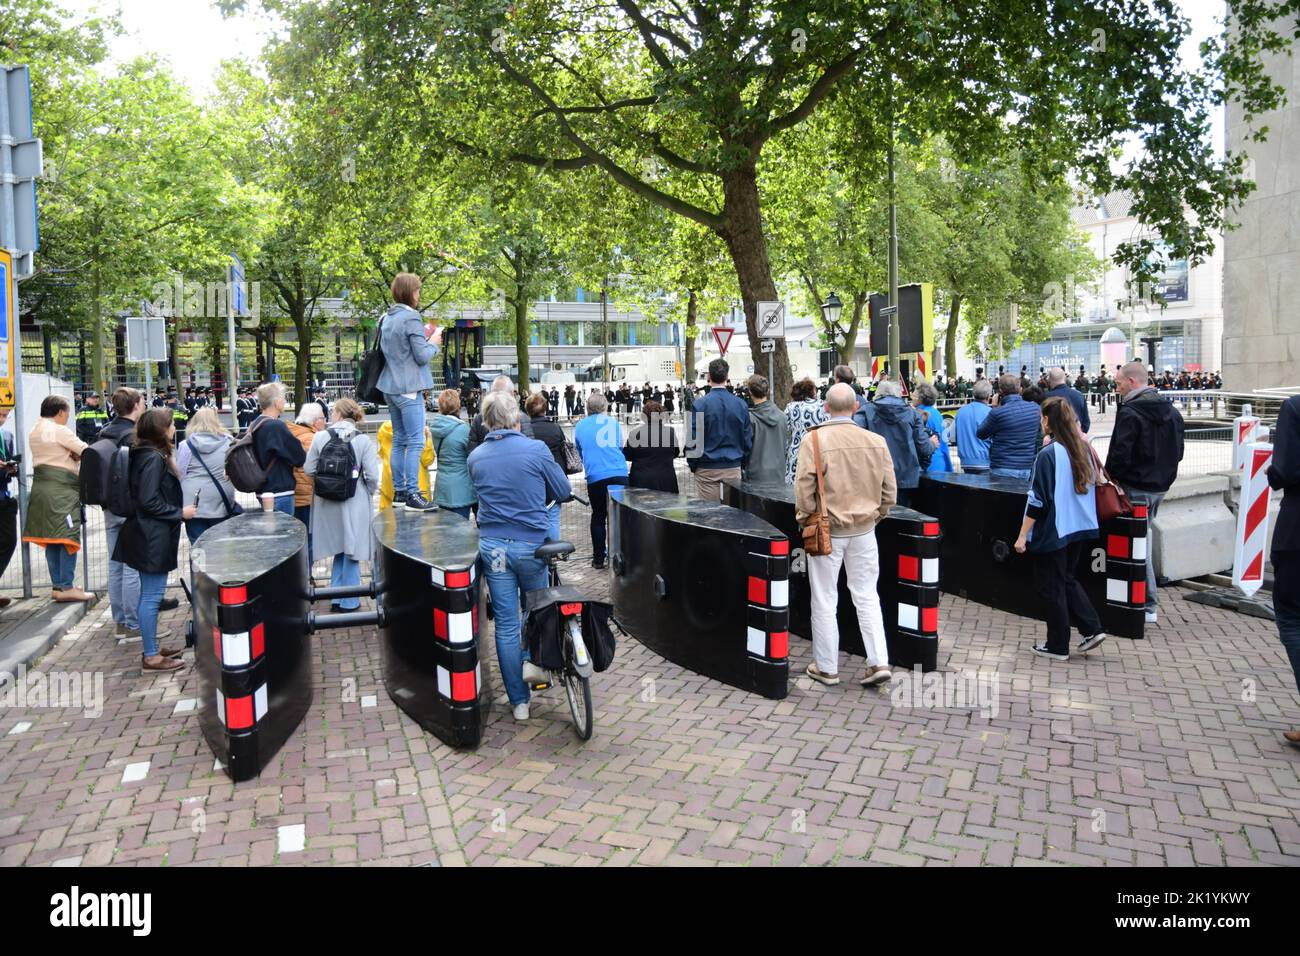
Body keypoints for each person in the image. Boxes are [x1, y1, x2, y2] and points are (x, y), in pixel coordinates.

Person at [467, 392, 572, 721]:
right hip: (530, 545)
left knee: (507, 624)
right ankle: (534, 667)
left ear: (486, 421)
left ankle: (518, 701)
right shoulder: (536, 449)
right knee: (534, 610)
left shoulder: (477, 456)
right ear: (516, 418)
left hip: (494, 546)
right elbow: (563, 490)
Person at [795, 383, 897, 687]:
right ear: (856, 407)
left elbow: (803, 489)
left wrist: (805, 520)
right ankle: (878, 660)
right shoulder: (876, 442)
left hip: (828, 529)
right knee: (867, 595)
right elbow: (889, 490)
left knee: (825, 598)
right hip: (865, 529)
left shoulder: (813, 441)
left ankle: (826, 667)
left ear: (825, 407)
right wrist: (877, 515)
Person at [1013, 398, 1107, 661]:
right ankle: (1091, 628)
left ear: (1048, 421)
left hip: (1055, 528)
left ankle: (1058, 644)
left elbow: (1038, 500)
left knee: (1052, 587)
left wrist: (1022, 535)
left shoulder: (1048, 455)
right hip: (1080, 525)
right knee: (1066, 579)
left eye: (1042, 418)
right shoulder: (1083, 448)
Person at [114, 408, 198, 673]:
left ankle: (151, 647)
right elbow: (148, 500)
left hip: (148, 533)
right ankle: (150, 655)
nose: (174, 428)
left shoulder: (147, 455)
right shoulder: (153, 458)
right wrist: (179, 513)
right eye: (171, 424)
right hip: (151, 535)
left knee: (149, 595)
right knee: (151, 596)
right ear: (162, 430)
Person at [1105, 359, 1185, 625]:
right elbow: (1179, 452)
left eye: (1118, 383)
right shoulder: (1173, 412)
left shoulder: (1129, 413)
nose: (1116, 389)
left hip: (1135, 487)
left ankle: (1147, 603)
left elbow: (1119, 454)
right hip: (1159, 487)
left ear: (1132, 382)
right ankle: (1143, 601)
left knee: (1139, 545)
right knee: (1141, 540)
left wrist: (1112, 477)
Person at [304, 398, 380, 613]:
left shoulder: (320, 437)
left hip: (326, 500)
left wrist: (328, 480)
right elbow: (373, 475)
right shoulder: (363, 439)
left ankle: (336, 596)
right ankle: (350, 600)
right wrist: (367, 490)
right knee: (352, 549)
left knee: (338, 547)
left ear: (337, 413)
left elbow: (309, 469)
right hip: (354, 499)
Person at [376, 272, 441, 511]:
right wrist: (433, 343)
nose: (419, 294)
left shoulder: (386, 317)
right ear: (409, 292)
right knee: (415, 442)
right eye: (417, 290)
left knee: (400, 440)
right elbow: (421, 356)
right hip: (409, 388)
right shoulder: (411, 318)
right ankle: (413, 494)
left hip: (389, 387)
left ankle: (400, 492)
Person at [23, 395, 93, 602]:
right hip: (62, 492)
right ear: (61, 412)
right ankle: (66, 587)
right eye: (67, 414)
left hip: (41, 488)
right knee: (67, 536)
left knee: (52, 537)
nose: (67, 417)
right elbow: (86, 450)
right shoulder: (58, 430)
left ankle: (58, 585)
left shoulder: (35, 430)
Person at [96, 388, 145, 632]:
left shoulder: (104, 431)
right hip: (128, 507)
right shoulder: (131, 435)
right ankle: (134, 622)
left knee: (116, 564)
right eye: (142, 400)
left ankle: (120, 621)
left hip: (109, 506)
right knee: (132, 565)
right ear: (136, 404)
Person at [1267, 395, 1300, 747]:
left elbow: (1285, 470)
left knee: (1292, 619)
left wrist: (1271, 473)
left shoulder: (1294, 408)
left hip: (1297, 531)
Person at [854, 378, 933, 508]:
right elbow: (923, 448)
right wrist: (933, 444)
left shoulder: (865, 411)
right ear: (898, 394)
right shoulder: (912, 413)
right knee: (903, 519)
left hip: (875, 475)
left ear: (878, 393)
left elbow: (856, 439)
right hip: (905, 477)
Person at [685, 359, 753, 501]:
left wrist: (694, 465)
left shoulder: (700, 404)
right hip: (733, 466)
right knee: (734, 514)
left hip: (707, 467)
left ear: (709, 376)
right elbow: (747, 438)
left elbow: (694, 439)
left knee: (710, 516)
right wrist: (741, 462)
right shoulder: (740, 404)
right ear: (727, 377)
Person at [573, 392, 627, 569]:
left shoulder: (580, 426)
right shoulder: (612, 422)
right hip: (618, 472)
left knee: (598, 516)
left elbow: (579, 450)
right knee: (619, 517)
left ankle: (598, 559)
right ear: (604, 407)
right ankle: (621, 556)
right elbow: (619, 445)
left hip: (595, 475)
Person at [176, 406, 240, 545]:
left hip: (193, 502)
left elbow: (180, 473)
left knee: (198, 543)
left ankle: (200, 565)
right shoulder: (229, 442)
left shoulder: (186, 445)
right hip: (221, 498)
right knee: (220, 544)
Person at [248, 381, 307, 516]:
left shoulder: (254, 424)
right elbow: (299, 457)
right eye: (283, 398)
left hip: (262, 489)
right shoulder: (276, 427)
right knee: (283, 533)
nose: (285, 401)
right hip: (280, 491)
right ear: (276, 402)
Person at [977, 373, 1041, 480]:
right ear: (1020, 389)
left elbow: (981, 433)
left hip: (1002, 467)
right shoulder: (1035, 409)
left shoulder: (997, 413)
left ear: (1000, 391)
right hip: (1026, 467)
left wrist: (994, 407)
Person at [526, 391, 568, 540]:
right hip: (553, 479)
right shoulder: (555, 428)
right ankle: (553, 555)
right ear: (545, 409)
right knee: (553, 518)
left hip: (531, 479)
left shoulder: (524, 430)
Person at [467, 375, 534, 454]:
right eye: (495, 393)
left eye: (501, 393)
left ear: (512, 394)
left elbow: (528, 448)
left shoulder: (521, 418)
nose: (498, 397)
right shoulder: (479, 419)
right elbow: (472, 450)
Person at [376, 418, 434, 510]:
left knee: (391, 521)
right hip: (418, 485)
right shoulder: (419, 430)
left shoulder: (384, 429)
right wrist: (429, 437)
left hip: (390, 486)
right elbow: (427, 459)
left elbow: (382, 454)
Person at [623, 399, 679, 493]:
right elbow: (676, 453)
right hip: (666, 480)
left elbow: (627, 455)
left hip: (641, 480)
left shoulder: (636, 433)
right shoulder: (670, 432)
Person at [743, 374, 790, 484]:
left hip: (755, 475)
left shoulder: (750, 418)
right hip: (778, 474)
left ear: (750, 392)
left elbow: (745, 447)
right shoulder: (782, 416)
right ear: (768, 390)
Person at [288, 403, 326, 528]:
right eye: (323, 418)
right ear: (315, 421)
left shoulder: (295, 432)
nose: (325, 422)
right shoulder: (310, 438)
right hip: (306, 496)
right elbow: (317, 467)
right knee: (309, 538)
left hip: (297, 494)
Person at [784, 377, 827, 485]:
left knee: (796, 486)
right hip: (818, 450)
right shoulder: (822, 405)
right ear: (812, 391)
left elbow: (785, 429)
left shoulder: (791, 407)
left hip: (797, 450)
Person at [954, 378, 993, 473]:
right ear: (988, 396)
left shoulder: (960, 412)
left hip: (965, 462)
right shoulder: (990, 413)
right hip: (985, 461)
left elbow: (952, 437)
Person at [0, 406, 18, 609]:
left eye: (6, 415)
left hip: (4, 495)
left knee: (8, 541)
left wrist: (11, 468)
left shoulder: (7, 435)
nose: (3, 419)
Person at [913, 382, 953, 473]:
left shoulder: (919, 415)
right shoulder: (937, 413)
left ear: (920, 398)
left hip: (927, 464)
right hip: (941, 461)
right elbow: (944, 440)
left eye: (914, 395)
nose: (912, 397)